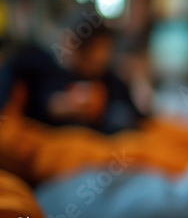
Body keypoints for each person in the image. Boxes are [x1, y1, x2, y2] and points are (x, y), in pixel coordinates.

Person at [0, 10, 144, 134]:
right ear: (68, 41)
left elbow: (134, 117)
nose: (99, 59)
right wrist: (56, 105)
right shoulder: (37, 65)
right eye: (89, 52)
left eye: (104, 53)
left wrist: (103, 108)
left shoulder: (110, 80)